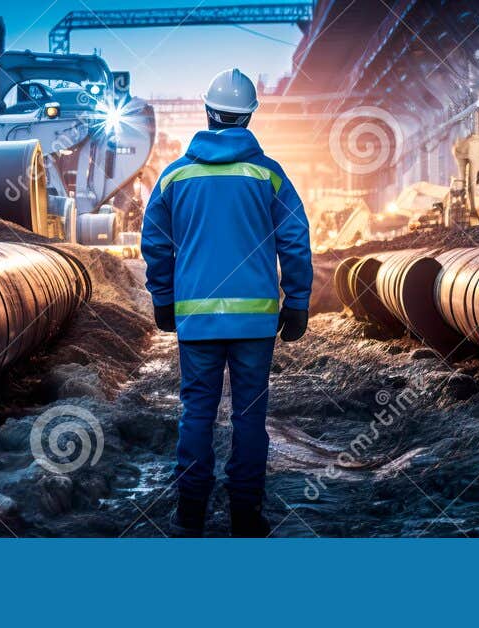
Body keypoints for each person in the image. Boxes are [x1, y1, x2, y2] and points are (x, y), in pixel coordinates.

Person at [139, 68, 312, 537]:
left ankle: (190, 516)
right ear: (249, 118)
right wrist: (296, 300)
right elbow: (295, 239)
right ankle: (245, 517)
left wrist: (163, 297)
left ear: (208, 112)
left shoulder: (175, 176)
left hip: (197, 323)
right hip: (256, 324)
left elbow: (154, 242)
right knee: (250, 417)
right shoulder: (269, 175)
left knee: (196, 413)